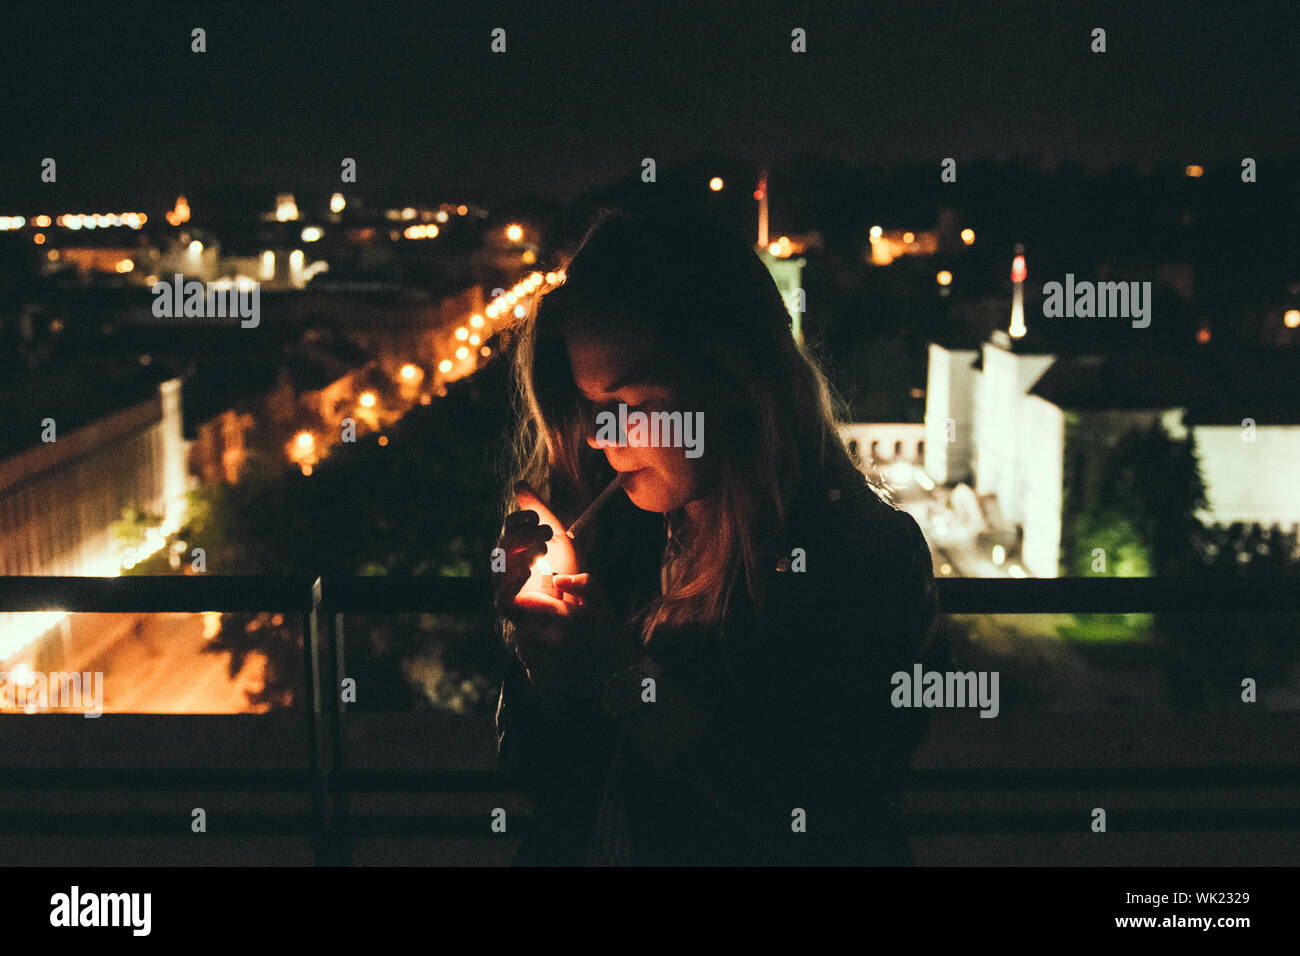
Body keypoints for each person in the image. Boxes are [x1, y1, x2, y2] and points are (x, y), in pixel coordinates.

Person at [492, 208, 948, 866]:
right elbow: (543, 780)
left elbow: (814, 815)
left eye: (629, 404)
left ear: (734, 384)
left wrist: (618, 672)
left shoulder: (861, 557)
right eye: (591, 406)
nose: (599, 436)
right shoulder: (618, 545)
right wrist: (542, 655)